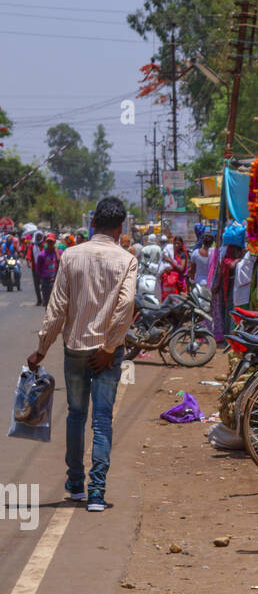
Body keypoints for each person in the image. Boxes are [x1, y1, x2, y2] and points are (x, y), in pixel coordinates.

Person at [27, 195, 137, 512]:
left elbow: (57, 308)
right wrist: (109, 347)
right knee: (102, 420)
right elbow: (126, 306)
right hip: (107, 353)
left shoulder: (71, 256)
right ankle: (97, 493)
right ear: (120, 228)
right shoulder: (126, 259)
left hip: (74, 347)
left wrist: (41, 349)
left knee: (76, 415)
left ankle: (75, 484)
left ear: (93, 224)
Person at [35, 233, 59, 306]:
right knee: (47, 303)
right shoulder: (41, 255)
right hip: (45, 281)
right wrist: (42, 278)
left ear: (54, 242)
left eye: (51, 241)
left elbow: (61, 264)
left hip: (56, 280)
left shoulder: (59, 252)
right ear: (46, 242)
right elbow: (38, 269)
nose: (50, 243)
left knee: (56, 303)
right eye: (48, 241)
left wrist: (57, 252)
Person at [28, 230, 44, 305]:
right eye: (37, 236)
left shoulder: (44, 244)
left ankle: (44, 299)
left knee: (44, 284)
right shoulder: (32, 245)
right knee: (36, 285)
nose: (38, 237)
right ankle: (39, 300)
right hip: (35, 268)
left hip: (44, 268)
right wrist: (29, 261)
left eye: (40, 236)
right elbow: (29, 255)